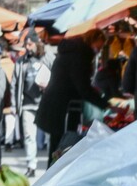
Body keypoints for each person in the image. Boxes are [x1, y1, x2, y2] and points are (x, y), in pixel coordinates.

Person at [35, 29, 109, 161]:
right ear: (94, 39)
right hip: (65, 111)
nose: (100, 48)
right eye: (100, 45)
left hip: (56, 106)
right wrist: (105, 104)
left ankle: (51, 177)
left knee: (56, 148)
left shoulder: (71, 51)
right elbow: (82, 87)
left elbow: (75, 81)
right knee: (62, 150)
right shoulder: (81, 54)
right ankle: (55, 179)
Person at [15, 36, 50, 177]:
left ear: (37, 43)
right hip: (27, 104)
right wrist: (14, 104)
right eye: (26, 44)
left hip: (45, 103)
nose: (28, 47)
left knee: (49, 135)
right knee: (29, 136)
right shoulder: (21, 62)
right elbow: (15, 84)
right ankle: (31, 165)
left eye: (30, 44)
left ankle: (51, 165)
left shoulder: (47, 58)